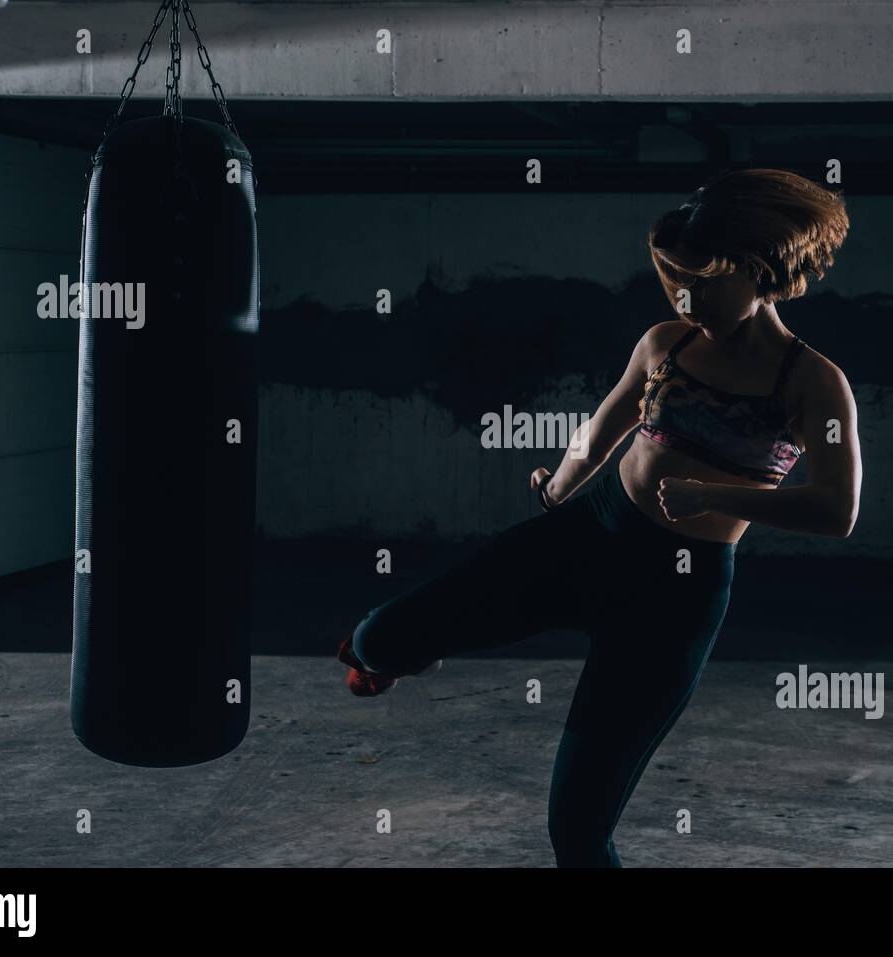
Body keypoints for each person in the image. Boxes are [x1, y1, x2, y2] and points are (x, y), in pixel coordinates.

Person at [336, 167, 863, 867]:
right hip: (588, 534)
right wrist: (558, 487)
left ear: (755, 269)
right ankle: (408, 652)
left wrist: (715, 497)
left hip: (672, 601)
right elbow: (605, 426)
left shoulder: (813, 383)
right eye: (675, 280)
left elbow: (837, 510)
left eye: (701, 281)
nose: (686, 297)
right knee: (375, 639)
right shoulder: (666, 342)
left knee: (578, 831)